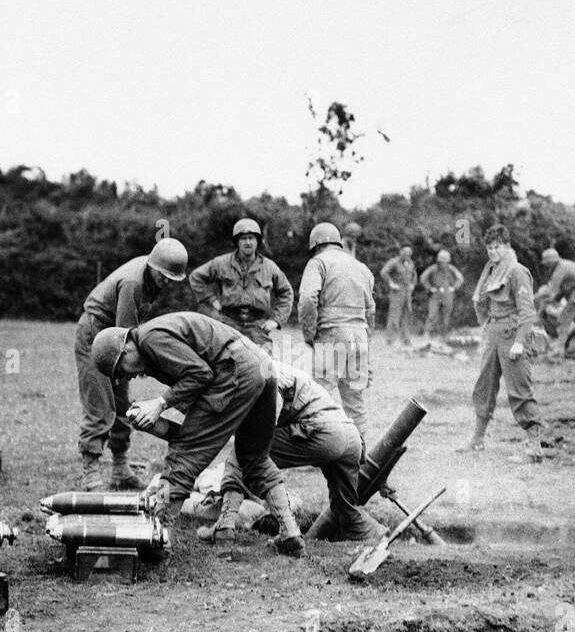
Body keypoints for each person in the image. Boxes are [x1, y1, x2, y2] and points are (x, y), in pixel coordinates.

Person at [89, 312, 305, 556]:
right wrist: (154, 422)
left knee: (179, 460)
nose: (127, 377)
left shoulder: (150, 338)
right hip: (262, 368)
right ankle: (289, 531)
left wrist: (159, 404)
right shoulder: (156, 340)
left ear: (126, 349)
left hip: (236, 372)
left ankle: (157, 537)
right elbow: (195, 429)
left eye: (121, 371)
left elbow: (200, 375)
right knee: (253, 457)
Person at [197, 362, 384, 546]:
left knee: (243, 452)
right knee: (345, 511)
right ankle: (384, 538)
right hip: (351, 437)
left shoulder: (262, 373)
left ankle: (225, 526)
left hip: (322, 433)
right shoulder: (271, 368)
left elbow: (267, 420)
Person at [74, 237, 188, 491]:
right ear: (153, 266)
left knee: (122, 403)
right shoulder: (134, 283)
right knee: (100, 404)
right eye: (164, 275)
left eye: (173, 278)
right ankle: (90, 472)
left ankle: (120, 468)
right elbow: (126, 335)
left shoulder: (152, 277)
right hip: (96, 336)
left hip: (115, 340)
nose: (167, 281)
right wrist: (148, 364)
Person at [465, 224, 544, 461]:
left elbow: (528, 312)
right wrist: (487, 327)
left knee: (519, 390)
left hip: (513, 333)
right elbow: (482, 302)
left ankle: (534, 447)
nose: (493, 252)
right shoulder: (491, 271)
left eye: (497, 247)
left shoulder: (517, 271)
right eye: (489, 247)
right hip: (494, 332)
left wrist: (520, 342)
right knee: (484, 387)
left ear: (507, 246)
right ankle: (477, 440)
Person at [297, 222, 375, 441]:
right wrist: (367, 341)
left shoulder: (318, 262)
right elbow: (371, 310)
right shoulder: (362, 267)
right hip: (359, 334)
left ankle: (316, 449)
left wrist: (309, 333)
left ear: (316, 244)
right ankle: (361, 454)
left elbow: (307, 300)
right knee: (355, 401)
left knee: (319, 394)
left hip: (332, 332)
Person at [188, 217, 293, 346]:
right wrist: (212, 300)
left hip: (258, 326)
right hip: (228, 324)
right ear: (237, 241)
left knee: (264, 363)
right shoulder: (221, 263)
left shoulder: (269, 267)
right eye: (243, 238)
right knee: (224, 362)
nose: (247, 242)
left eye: (251, 238)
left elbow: (286, 292)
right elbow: (196, 277)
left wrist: (276, 320)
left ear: (258, 241)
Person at [535, 248, 575, 358]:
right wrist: (548, 302)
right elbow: (559, 292)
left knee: (563, 319)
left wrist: (534, 297)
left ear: (552, 261)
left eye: (547, 264)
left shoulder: (560, 269)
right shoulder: (565, 266)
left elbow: (550, 290)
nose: (546, 267)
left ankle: (558, 351)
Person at [419, 249, 465, 339]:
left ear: (448, 261)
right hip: (436, 293)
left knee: (446, 315)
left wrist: (454, 287)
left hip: (448, 293)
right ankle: (427, 333)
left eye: (445, 262)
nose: (443, 264)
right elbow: (423, 278)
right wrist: (429, 288)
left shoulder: (451, 268)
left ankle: (443, 334)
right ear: (438, 261)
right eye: (441, 262)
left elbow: (460, 278)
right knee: (432, 313)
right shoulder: (433, 268)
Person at [380, 245, 417, 344]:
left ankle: (405, 339)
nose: (407, 254)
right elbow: (384, 272)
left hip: (407, 292)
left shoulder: (410, 263)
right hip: (397, 291)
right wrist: (391, 283)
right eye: (405, 252)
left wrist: (413, 284)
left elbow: (414, 275)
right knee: (394, 315)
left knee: (406, 314)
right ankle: (390, 339)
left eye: (409, 253)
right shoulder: (394, 262)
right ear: (400, 252)